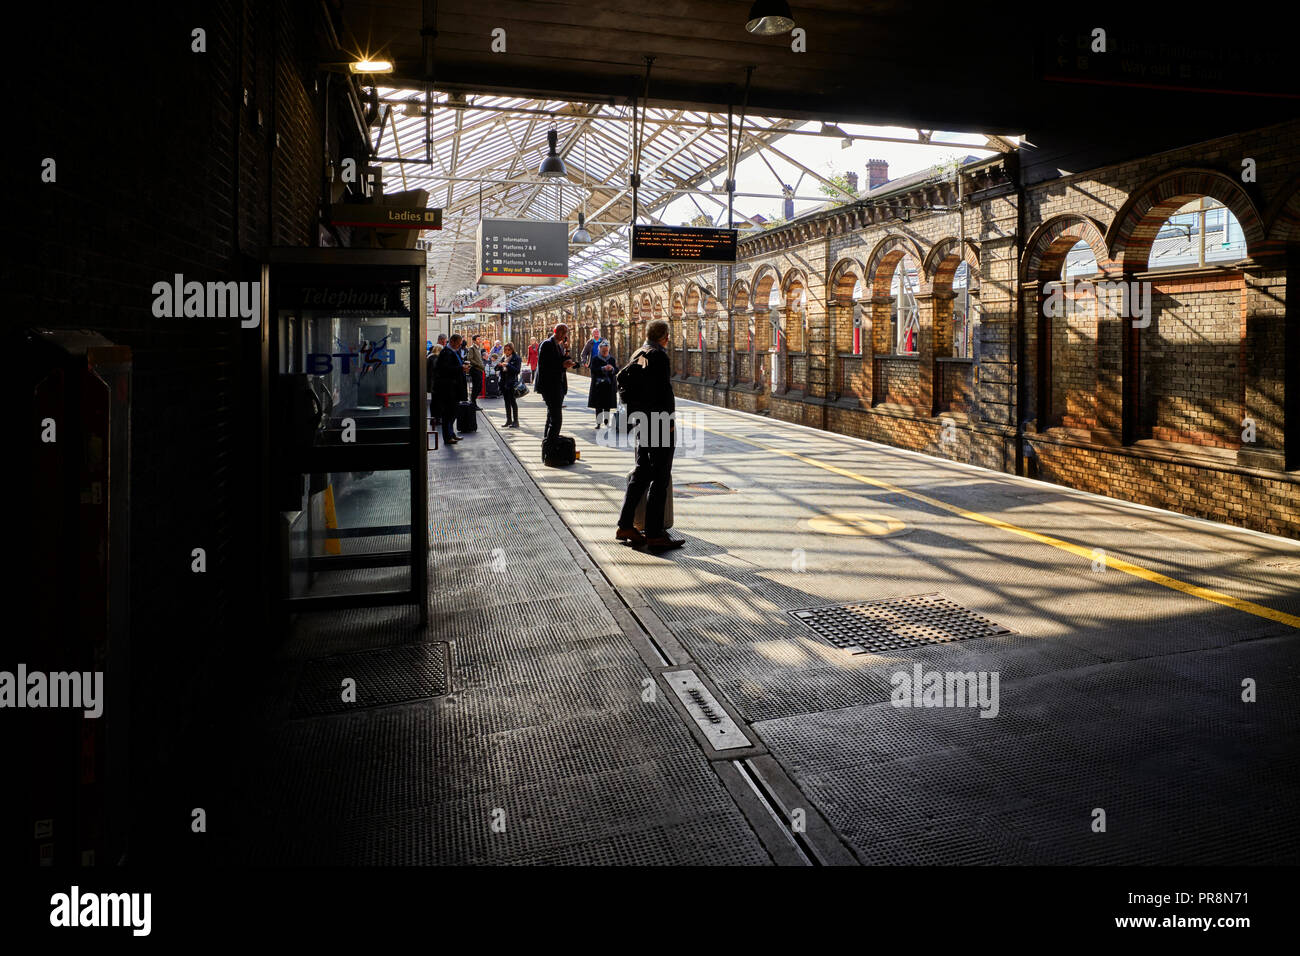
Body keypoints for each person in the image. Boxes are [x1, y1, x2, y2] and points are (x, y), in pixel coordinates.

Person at [616, 319, 681, 550]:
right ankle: (654, 534)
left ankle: (625, 524)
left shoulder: (638, 352)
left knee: (642, 472)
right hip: (659, 423)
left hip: (641, 421)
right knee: (660, 476)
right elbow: (665, 392)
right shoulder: (659, 355)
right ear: (664, 336)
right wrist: (670, 422)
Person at [536, 322, 576, 453]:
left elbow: (562, 360)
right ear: (555, 331)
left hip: (558, 385)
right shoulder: (547, 344)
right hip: (550, 386)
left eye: (566, 332)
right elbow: (545, 366)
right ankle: (551, 447)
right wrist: (562, 365)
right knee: (557, 419)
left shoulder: (559, 346)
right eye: (562, 332)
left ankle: (547, 443)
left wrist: (567, 350)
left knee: (551, 416)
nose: (564, 335)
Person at [433, 332, 468, 444]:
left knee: (453, 412)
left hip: (454, 388)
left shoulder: (452, 351)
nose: (459, 346)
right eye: (458, 343)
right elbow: (445, 369)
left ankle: (451, 434)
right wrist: (461, 368)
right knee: (448, 413)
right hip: (448, 389)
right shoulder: (446, 353)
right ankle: (447, 437)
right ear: (452, 341)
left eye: (460, 344)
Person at [587, 340, 617, 428]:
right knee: (598, 406)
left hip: (608, 385)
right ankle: (598, 423)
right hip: (598, 386)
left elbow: (616, 370)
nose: (605, 352)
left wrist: (612, 369)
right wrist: (603, 368)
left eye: (606, 351)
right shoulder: (595, 359)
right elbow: (593, 371)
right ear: (599, 350)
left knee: (607, 406)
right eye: (603, 351)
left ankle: (607, 422)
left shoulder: (611, 359)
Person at [495, 342, 522, 428]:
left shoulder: (516, 358)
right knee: (506, 402)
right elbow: (497, 368)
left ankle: (516, 421)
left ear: (512, 349)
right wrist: (499, 365)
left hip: (511, 383)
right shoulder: (503, 357)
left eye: (509, 350)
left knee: (513, 402)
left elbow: (517, 370)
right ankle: (508, 420)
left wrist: (508, 365)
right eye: (505, 350)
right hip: (503, 383)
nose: (507, 351)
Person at [465, 334, 486, 409]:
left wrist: (482, 365)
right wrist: (478, 365)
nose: (480, 340)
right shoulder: (472, 348)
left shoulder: (478, 348)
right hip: (475, 370)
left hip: (480, 369)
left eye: (480, 339)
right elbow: (469, 358)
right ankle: (473, 403)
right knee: (476, 387)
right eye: (478, 339)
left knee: (479, 387)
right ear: (474, 341)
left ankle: (473, 402)